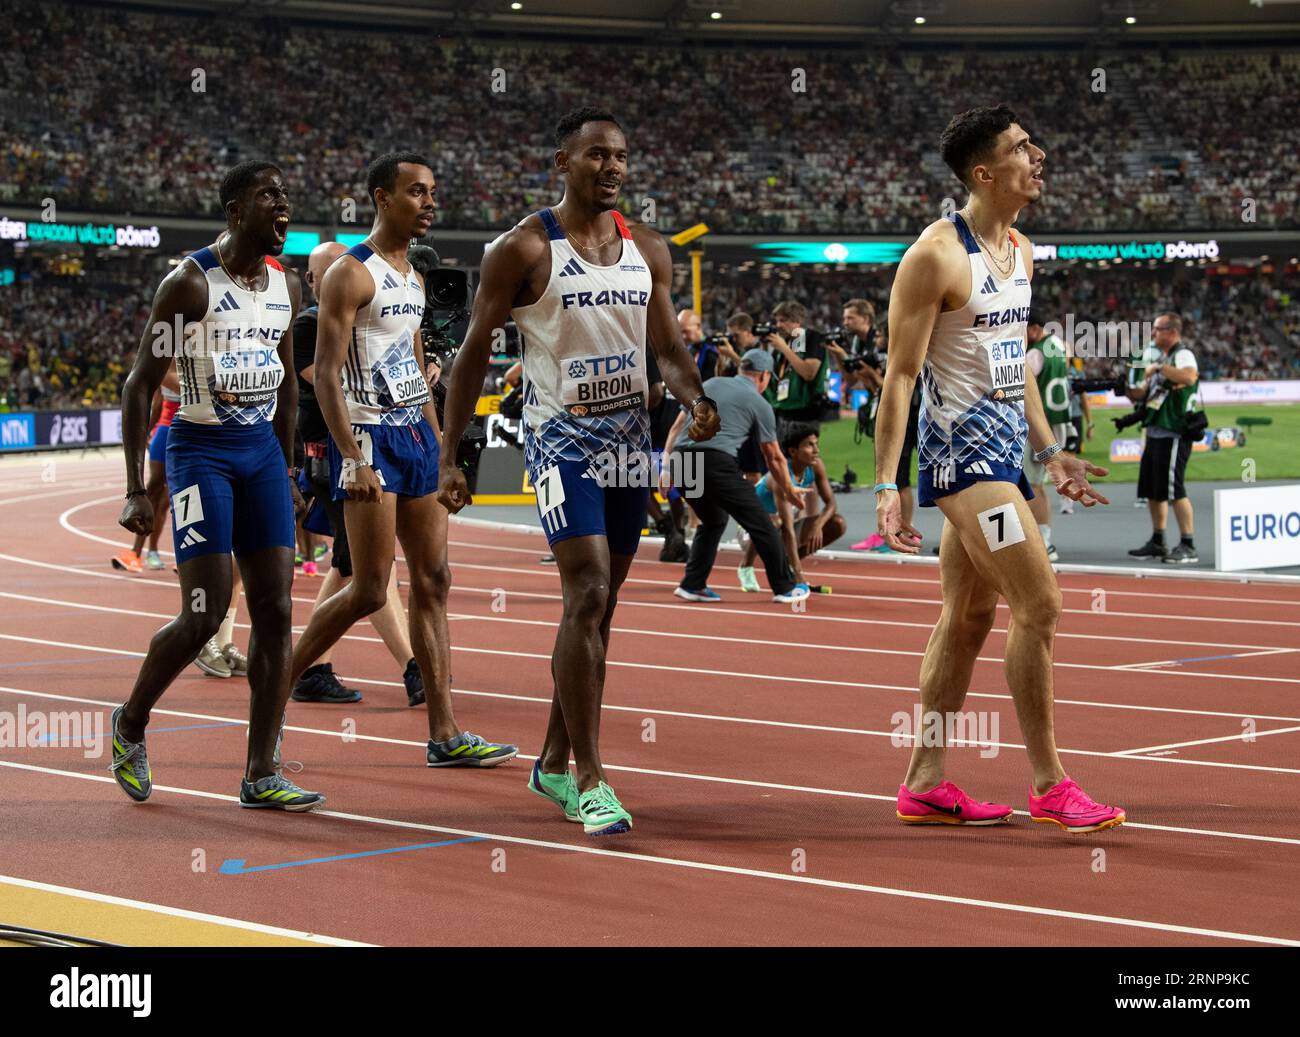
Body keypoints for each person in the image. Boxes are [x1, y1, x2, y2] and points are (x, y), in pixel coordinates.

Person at [437, 107, 720, 836]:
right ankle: (591, 777)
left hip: (627, 439)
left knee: (599, 605)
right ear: (561, 162)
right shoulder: (523, 249)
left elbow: (666, 349)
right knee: (588, 588)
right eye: (596, 155)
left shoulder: (648, 249)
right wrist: (451, 452)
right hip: (560, 440)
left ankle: (552, 761)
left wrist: (694, 396)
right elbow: (472, 352)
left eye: (621, 155)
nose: (613, 167)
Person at [875, 105, 1124, 834]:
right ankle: (1050, 781)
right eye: (1022, 148)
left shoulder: (1022, 249)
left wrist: (1049, 454)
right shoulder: (936, 256)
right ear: (985, 173)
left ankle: (923, 780)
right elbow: (899, 376)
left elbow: (1012, 372)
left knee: (969, 616)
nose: (1038, 155)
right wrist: (888, 485)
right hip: (959, 463)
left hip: (1005, 457)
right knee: (1040, 604)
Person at [289, 152, 516, 766]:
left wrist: (445, 455)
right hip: (367, 441)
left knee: (435, 580)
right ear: (382, 198)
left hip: (415, 434)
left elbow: (416, 373)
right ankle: (277, 681)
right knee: (366, 589)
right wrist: (351, 458)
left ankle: (445, 734)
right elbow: (327, 378)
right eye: (417, 192)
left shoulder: (412, 278)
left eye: (433, 192)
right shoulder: (350, 274)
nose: (430, 202)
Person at [112, 160, 323, 811]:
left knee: (277, 609)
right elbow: (140, 384)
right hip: (201, 451)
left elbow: (289, 385)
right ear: (235, 210)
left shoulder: (284, 284)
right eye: (269, 197)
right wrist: (136, 489)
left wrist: (287, 470)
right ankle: (131, 722)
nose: (283, 207)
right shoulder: (191, 285)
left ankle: (261, 770)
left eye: (286, 196)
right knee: (204, 612)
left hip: (260, 453)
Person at [291, 239, 426, 706]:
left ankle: (309, 667)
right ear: (314, 282)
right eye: (328, 275)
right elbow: (331, 380)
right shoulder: (309, 324)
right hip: (339, 457)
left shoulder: (377, 307)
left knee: (350, 568)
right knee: (370, 575)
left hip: (376, 447)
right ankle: (413, 667)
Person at [664, 349, 808, 604]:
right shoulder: (759, 403)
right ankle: (786, 588)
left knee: (713, 519)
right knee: (761, 523)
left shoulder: (709, 384)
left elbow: (677, 425)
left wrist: (665, 466)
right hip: (714, 461)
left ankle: (693, 584)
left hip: (680, 460)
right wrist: (788, 488)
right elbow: (773, 455)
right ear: (764, 376)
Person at [1126, 312, 1200, 564]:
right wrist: (1124, 388)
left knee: (1173, 488)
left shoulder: (1182, 354)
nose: (1153, 333)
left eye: (1157, 329)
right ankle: (1158, 541)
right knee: (1153, 488)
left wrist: (1158, 368)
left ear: (1172, 331)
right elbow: (1143, 394)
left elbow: (1190, 377)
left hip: (1175, 430)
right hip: (1157, 428)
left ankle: (1188, 544)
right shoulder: (1165, 357)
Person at [738, 423, 845, 592]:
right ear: (793, 451)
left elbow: (831, 504)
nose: (816, 450)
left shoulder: (815, 466)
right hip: (749, 530)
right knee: (775, 521)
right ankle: (746, 566)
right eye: (810, 445)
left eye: (816, 443)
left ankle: (788, 567)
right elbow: (787, 528)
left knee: (837, 523)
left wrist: (818, 525)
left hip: (780, 525)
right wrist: (800, 575)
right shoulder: (780, 476)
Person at [111, 371, 179, 573]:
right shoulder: (166, 359)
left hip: (186, 430)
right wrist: (145, 433)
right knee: (157, 493)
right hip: (168, 429)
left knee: (171, 498)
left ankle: (152, 552)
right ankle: (139, 553)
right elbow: (157, 401)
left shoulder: (170, 359)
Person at [1023, 312, 1072, 561]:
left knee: (1033, 483)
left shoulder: (1034, 353)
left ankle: (1043, 542)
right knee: (1037, 481)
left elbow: (1021, 389)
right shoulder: (1058, 345)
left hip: (1042, 423)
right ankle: (1041, 537)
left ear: (1033, 329)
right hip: (1059, 419)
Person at [763, 300, 828, 435]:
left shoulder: (813, 338)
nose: (778, 325)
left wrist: (784, 349)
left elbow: (808, 373)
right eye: (777, 321)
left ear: (797, 321)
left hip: (805, 412)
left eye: (783, 320)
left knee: (804, 454)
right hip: (782, 410)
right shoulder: (784, 343)